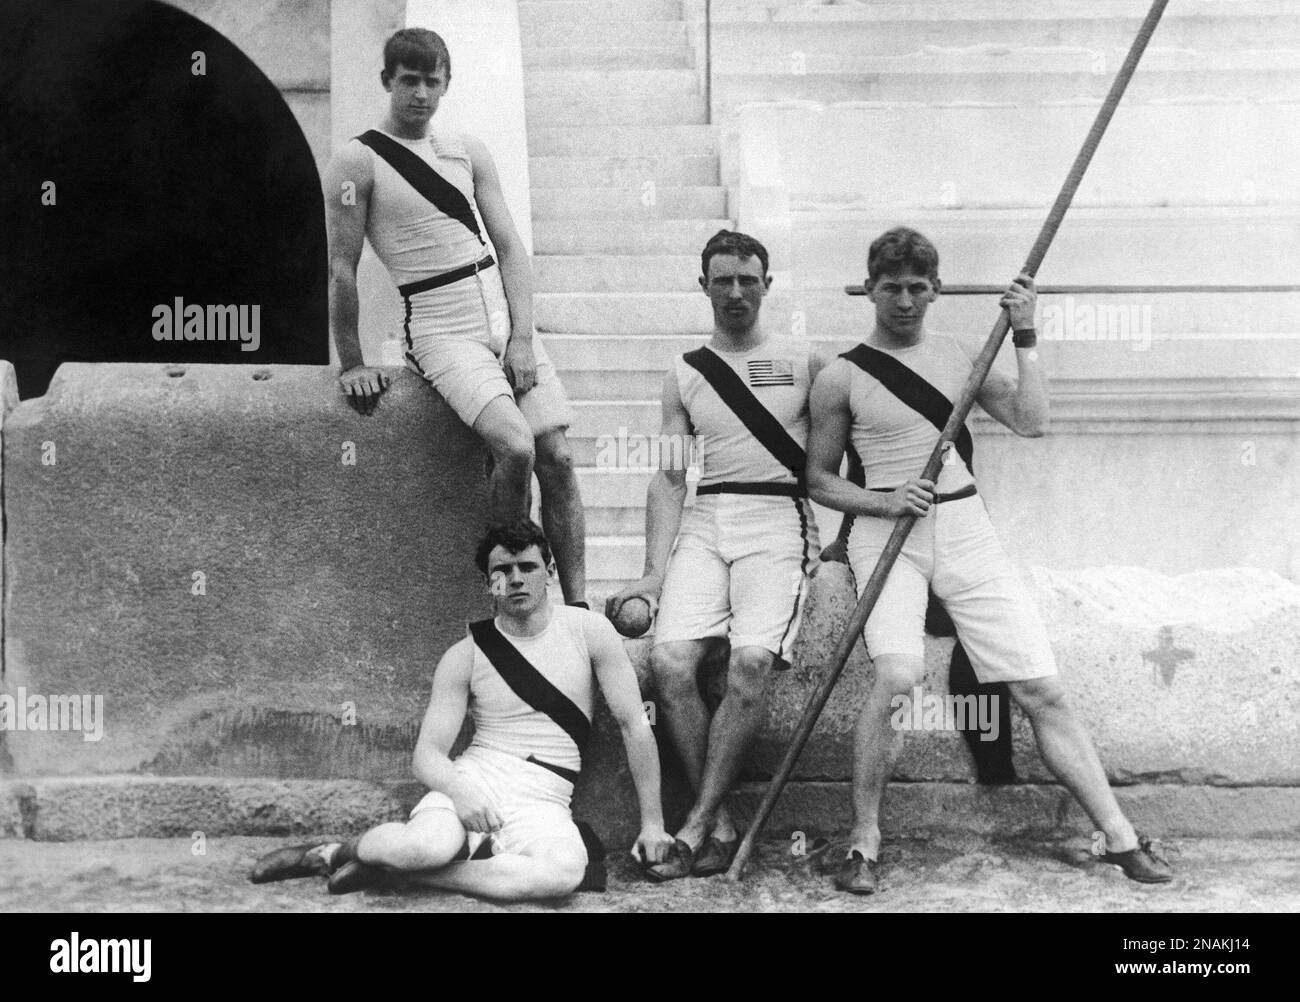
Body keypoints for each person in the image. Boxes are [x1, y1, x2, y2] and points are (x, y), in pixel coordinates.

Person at [806, 226, 1173, 894]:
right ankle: (863, 841)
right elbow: (819, 480)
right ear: (870, 289)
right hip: (887, 535)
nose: (906, 301)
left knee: (1041, 687)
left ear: (937, 289)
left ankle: (1118, 833)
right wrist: (885, 502)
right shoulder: (842, 375)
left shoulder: (960, 358)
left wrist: (1026, 335)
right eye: (892, 288)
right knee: (897, 678)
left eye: (919, 288)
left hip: (965, 525)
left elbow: (1032, 421)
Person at [251, 520, 674, 901]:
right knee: (421, 847)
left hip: (545, 796)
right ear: (487, 583)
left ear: (550, 573)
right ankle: (329, 853)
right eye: (501, 572)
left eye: (527, 568)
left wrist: (652, 823)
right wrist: (461, 791)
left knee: (563, 873)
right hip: (476, 777)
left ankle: (408, 878)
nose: (515, 580)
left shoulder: (589, 632)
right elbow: (427, 755)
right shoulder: (465, 654)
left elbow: (635, 725)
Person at [322, 28, 587, 605]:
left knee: (559, 458)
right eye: (409, 80)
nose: (420, 93)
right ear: (387, 80)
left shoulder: (466, 149)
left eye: (431, 81)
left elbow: (511, 248)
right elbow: (342, 268)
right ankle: (509, 588)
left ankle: (578, 606)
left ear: (446, 84)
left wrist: (521, 336)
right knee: (515, 447)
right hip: (440, 327)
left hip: (500, 315)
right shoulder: (356, 159)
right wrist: (352, 362)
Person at [606, 230, 828, 879]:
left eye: (748, 279)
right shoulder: (685, 373)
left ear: (767, 284)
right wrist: (654, 568)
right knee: (672, 661)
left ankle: (697, 823)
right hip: (709, 517)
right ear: (703, 285)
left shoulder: (804, 361)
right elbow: (672, 477)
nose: (736, 292)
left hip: (778, 517)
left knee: (751, 663)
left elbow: (843, 452)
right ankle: (722, 823)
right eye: (723, 280)